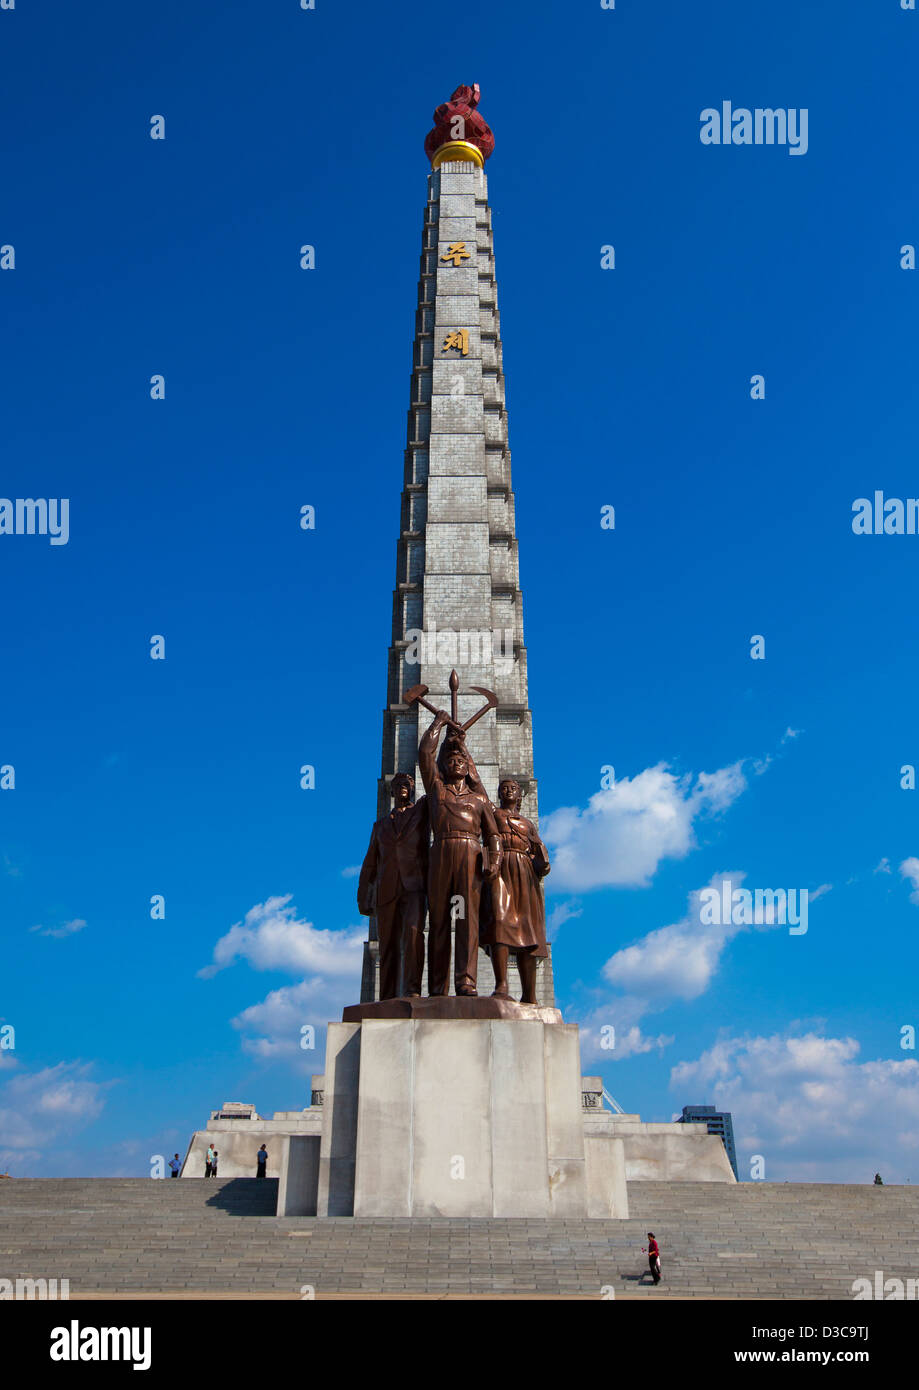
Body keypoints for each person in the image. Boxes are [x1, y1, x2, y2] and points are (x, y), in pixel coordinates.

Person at [419, 710, 502, 997]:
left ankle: (466, 981)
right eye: (450, 760)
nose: (455, 763)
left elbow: (493, 833)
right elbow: (425, 754)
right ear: (443, 765)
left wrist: (495, 859)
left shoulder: (479, 799)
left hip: (470, 854)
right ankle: (438, 986)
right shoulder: (436, 790)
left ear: (468, 768)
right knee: (440, 918)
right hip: (441, 851)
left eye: (461, 761)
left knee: (468, 920)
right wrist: (438, 722)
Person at [357, 772, 429, 998]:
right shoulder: (379, 826)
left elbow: (434, 781)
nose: (402, 788)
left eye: (406, 784)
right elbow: (370, 863)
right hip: (386, 890)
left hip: (414, 886)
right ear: (392, 791)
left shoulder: (421, 814)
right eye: (398, 785)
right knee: (387, 944)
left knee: (414, 935)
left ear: (413, 789)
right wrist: (362, 895)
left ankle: (412, 989)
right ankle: (386, 997)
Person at [480, 778, 550, 1002]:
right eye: (504, 789)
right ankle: (502, 985)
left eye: (513, 788)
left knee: (528, 931)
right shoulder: (493, 813)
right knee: (499, 921)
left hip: (525, 873)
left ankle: (529, 994)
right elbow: (477, 786)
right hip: (501, 868)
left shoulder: (528, 824)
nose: (508, 791)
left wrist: (543, 861)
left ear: (519, 796)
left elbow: (539, 850)